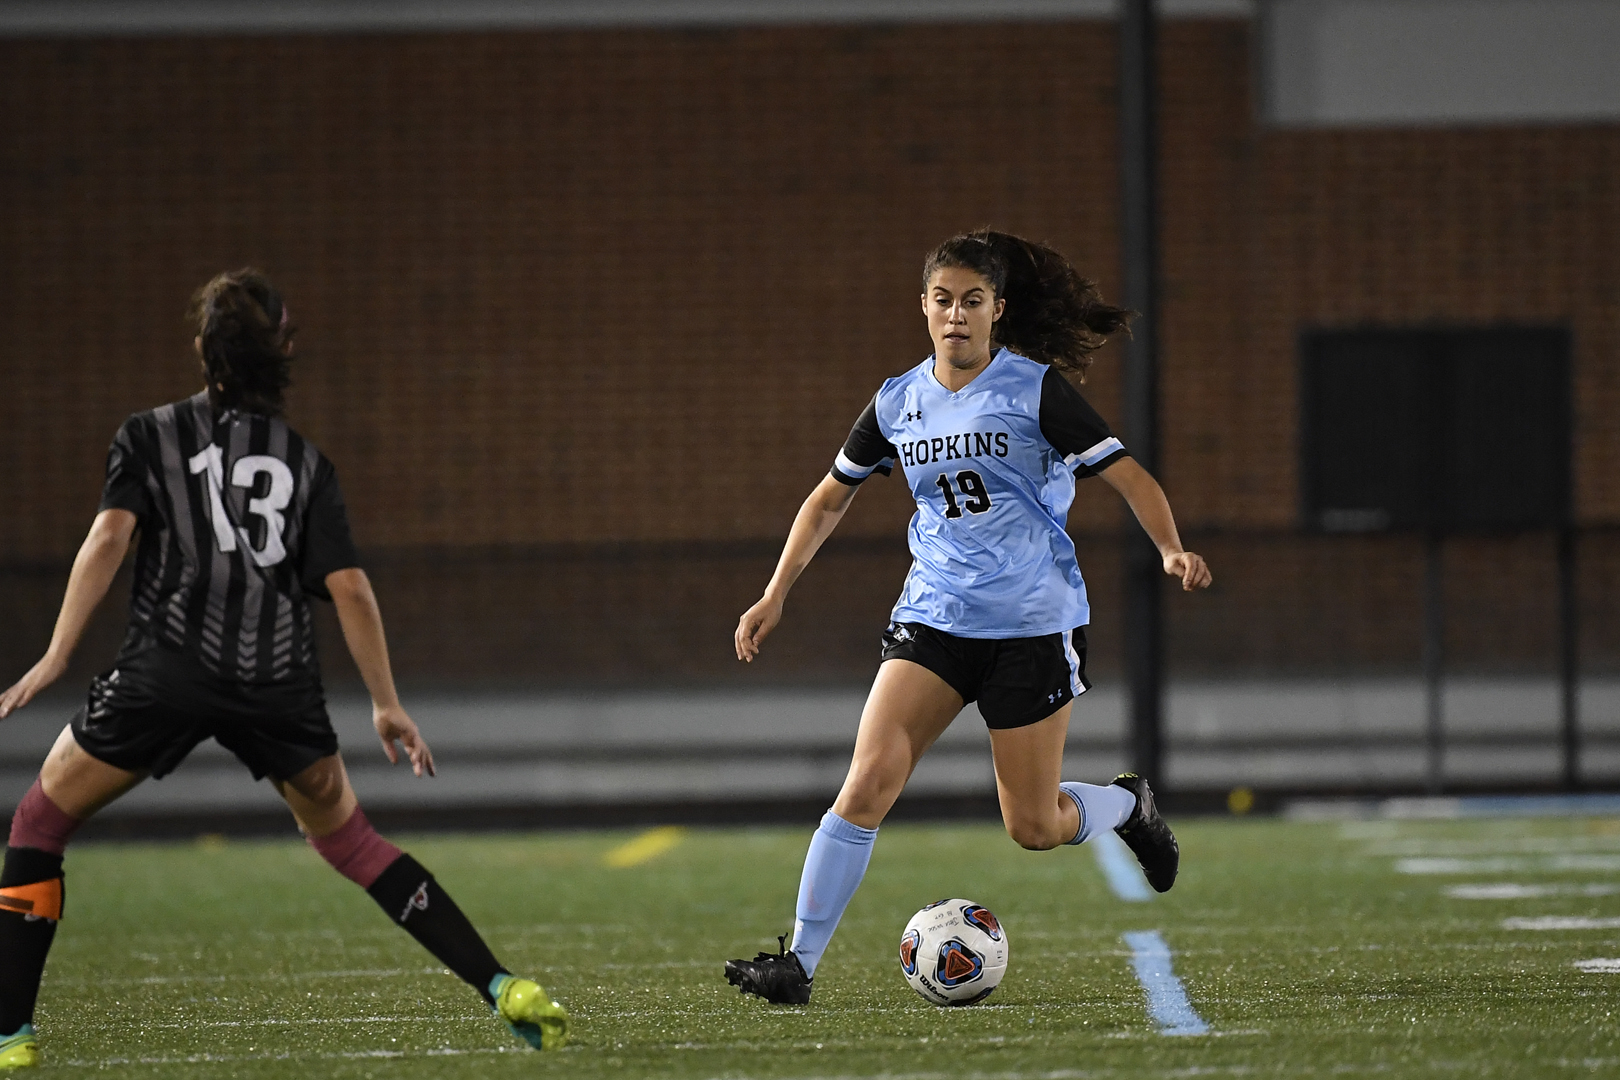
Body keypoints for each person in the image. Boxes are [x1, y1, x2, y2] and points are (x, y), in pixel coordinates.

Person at [0, 270, 567, 1067]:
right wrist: (386, 703)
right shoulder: (305, 464)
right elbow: (351, 590)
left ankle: (11, 1039)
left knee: (38, 825)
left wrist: (57, 654)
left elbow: (107, 540)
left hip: (163, 674)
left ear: (204, 350)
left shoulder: (149, 435)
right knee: (353, 844)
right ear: (284, 353)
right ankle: (502, 984)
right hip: (276, 684)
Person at [723, 231, 1212, 1005]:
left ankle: (1128, 806)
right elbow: (827, 499)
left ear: (997, 310)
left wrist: (1171, 549)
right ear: (923, 307)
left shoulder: (1036, 390)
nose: (957, 314)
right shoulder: (896, 401)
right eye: (944, 300)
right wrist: (775, 591)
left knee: (1034, 826)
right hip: (934, 619)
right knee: (867, 782)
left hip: (1032, 625)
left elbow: (1130, 477)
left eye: (972, 301)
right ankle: (798, 965)